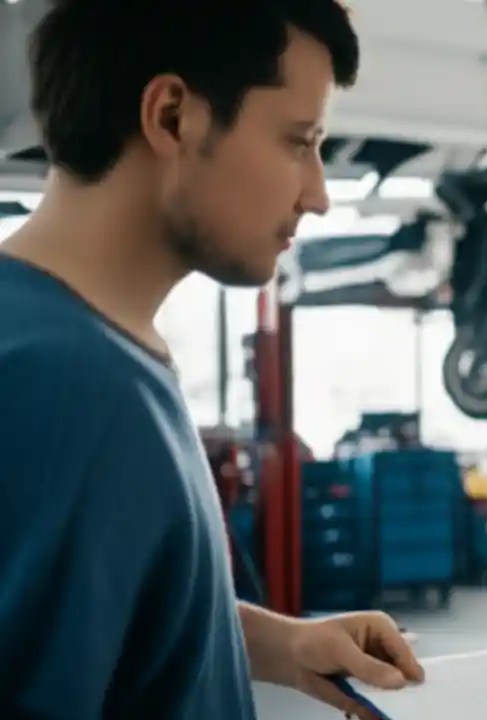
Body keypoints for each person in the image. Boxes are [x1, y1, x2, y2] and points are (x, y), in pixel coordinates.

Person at [0, 2, 423, 719]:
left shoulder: (90, 344)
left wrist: (281, 644)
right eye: (299, 142)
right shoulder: (61, 384)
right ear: (171, 116)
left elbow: (107, 619)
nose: (317, 194)